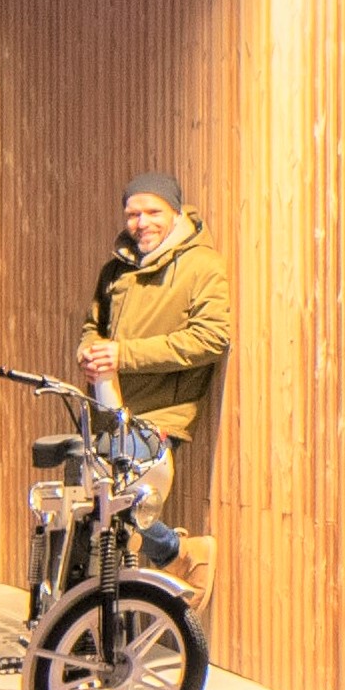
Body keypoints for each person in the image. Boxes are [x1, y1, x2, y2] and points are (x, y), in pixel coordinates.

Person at [81, 172, 230, 522]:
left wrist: (123, 355)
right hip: (107, 409)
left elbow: (211, 338)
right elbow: (93, 327)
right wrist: (88, 352)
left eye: (153, 212)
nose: (141, 223)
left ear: (176, 214)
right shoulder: (116, 270)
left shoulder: (202, 266)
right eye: (133, 215)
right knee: (88, 514)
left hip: (160, 415)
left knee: (128, 510)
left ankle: (173, 553)